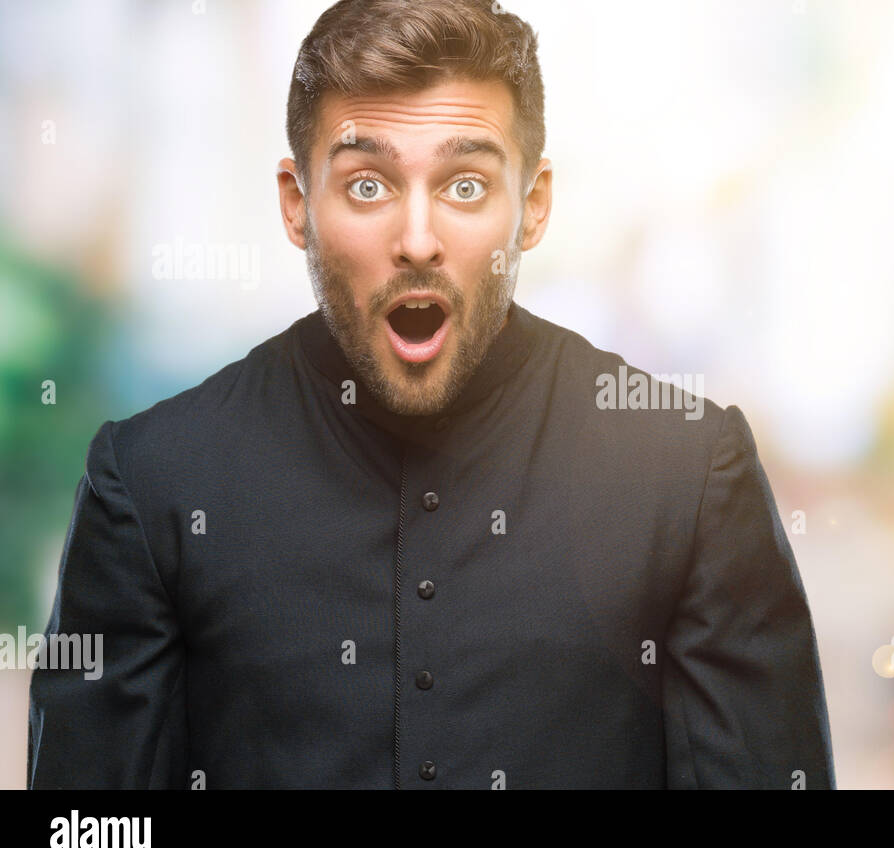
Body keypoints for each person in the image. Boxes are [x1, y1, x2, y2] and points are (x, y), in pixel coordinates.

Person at [27, 0, 834, 789]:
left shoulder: (687, 477)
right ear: (297, 203)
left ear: (535, 205)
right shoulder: (153, 483)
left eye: (467, 185)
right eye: (368, 185)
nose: (417, 241)